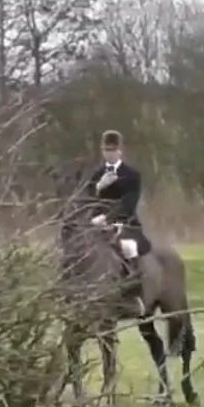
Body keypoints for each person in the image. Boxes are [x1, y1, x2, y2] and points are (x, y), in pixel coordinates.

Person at [84, 130, 150, 315]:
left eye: (113, 150)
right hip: (97, 224)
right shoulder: (97, 175)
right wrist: (98, 188)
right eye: (106, 150)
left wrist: (109, 218)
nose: (109, 154)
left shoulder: (131, 175)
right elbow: (88, 198)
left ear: (120, 151)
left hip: (125, 223)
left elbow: (129, 202)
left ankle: (134, 295)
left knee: (129, 247)